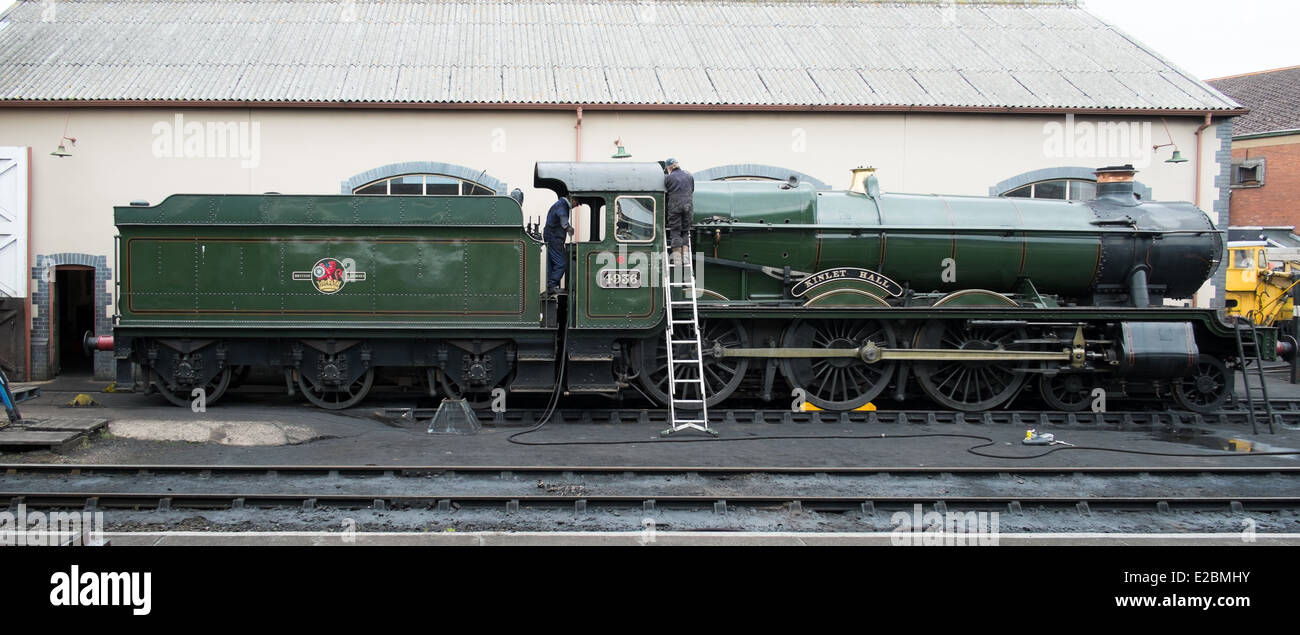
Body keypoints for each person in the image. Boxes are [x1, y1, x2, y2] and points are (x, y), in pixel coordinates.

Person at [543, 194, 578, 296]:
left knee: (552, 263)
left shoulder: (560, 204)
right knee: (561, 263)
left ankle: (550, 286)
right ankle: (551, 285)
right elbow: (564, 221)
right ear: (572, 199)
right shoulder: (562, 206)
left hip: (551, 237)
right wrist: (569, 228)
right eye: (577, 202)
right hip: (554, 238)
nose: (577, 205)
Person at [663, 158, 694, 266]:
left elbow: (666, 193)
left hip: (675, 206)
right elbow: (692, 190)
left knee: (675, 231)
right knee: (685, 231)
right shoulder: (689, 175)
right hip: (688, 206)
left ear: (669, 167)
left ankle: (677, 259)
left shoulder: (668, 178)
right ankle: (685, 258)